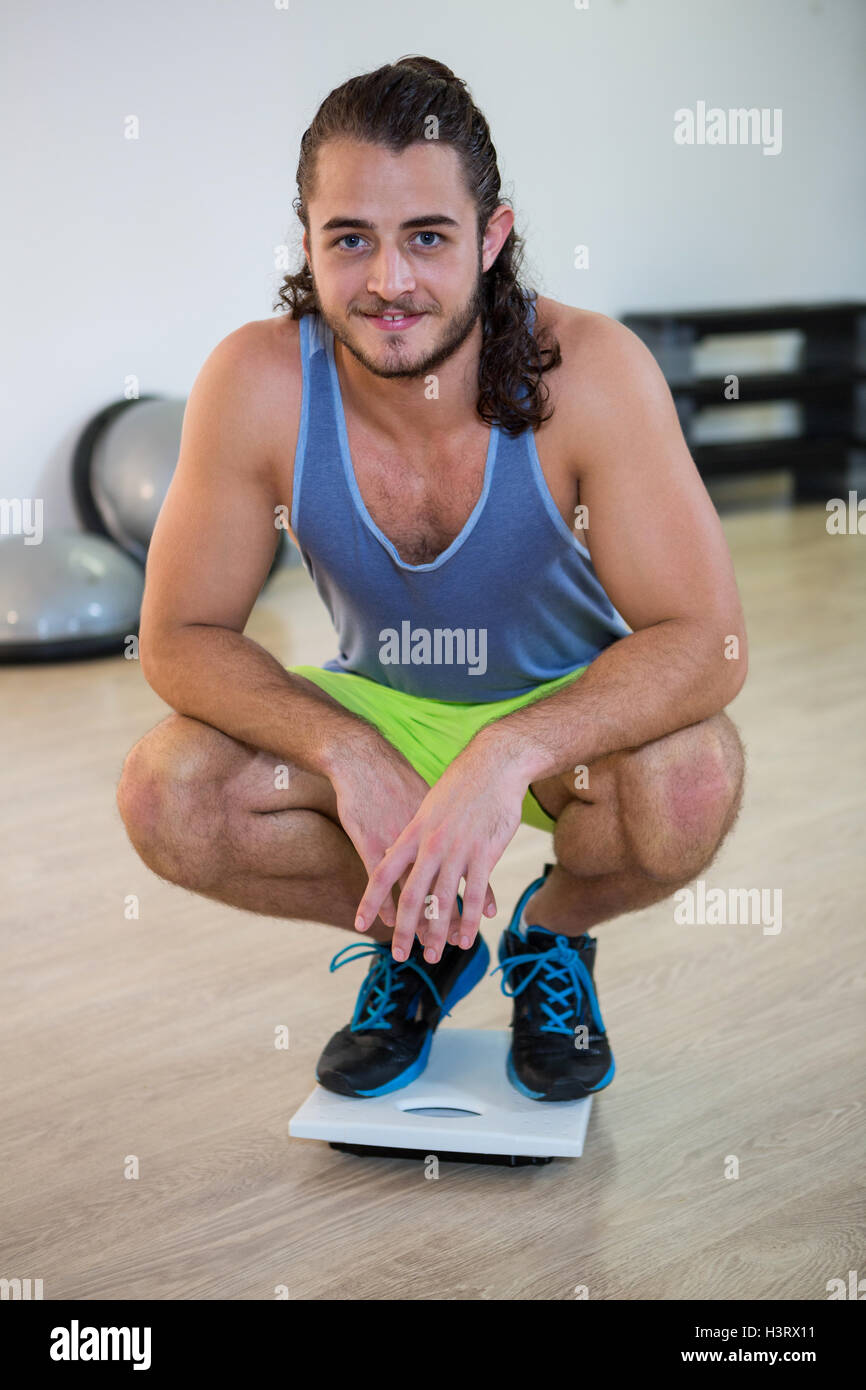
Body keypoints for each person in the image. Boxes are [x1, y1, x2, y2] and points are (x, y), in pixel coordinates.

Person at [117, 55, 747, 1105]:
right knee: (166, 793)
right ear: (308, 240)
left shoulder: (592, 371)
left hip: (561, 721)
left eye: (427, 236)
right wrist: (344, 746)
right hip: (382, 703)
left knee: (690, 781)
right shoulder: (256, 382)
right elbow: (179, 634)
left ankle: (548, 936)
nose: (388, 281)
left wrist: (508, 752)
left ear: (490, 237)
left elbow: (706, 640)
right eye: (350, 238)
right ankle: (424, 941)